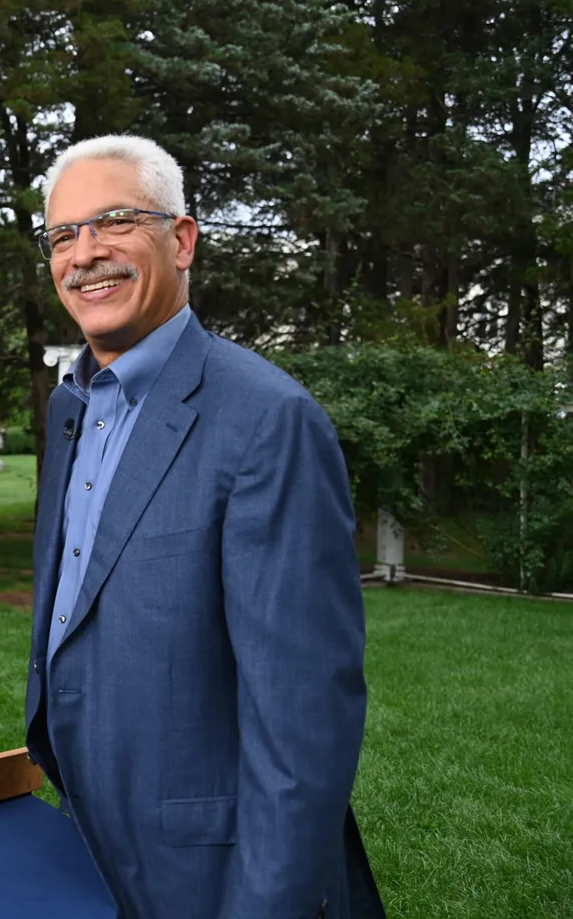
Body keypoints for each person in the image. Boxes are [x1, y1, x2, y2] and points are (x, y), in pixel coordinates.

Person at [23, 135, 383, 919]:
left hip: (212, 872)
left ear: (181, 240)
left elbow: (303, 719)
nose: (85, 253)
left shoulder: (267, 421)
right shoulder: (69, 408)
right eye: (62, 235)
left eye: (114, 221)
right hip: (85, 837)